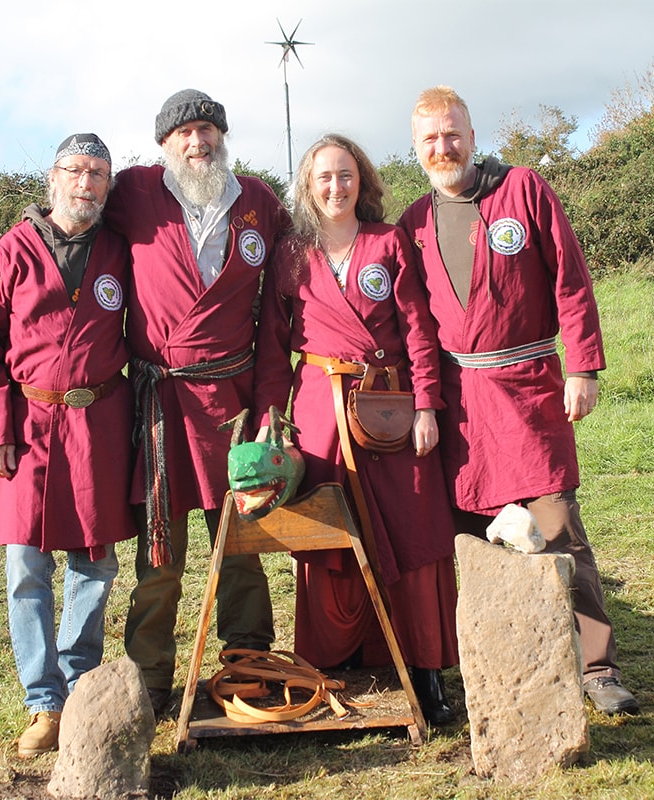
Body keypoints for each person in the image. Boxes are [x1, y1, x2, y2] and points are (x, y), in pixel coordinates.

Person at [0, 90, 290, 715]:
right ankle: (149, 677)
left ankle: (248, 659)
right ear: (164, 147)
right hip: (161, 405)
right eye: (183, 134)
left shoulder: (259, 202)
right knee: (159, 552)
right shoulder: (138, 192)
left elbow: (284, 296)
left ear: (222, 137)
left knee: (241, 539)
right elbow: (65, 212)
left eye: (207, 131)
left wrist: (271, 403)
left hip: (233, 401)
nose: (196, 143)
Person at [398, 86, 640, 715]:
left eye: (452, 134)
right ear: (416, 148)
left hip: (530, 387)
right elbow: (413, 323)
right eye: (430, 139)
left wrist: (582, 365)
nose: (443, 147)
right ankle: (495, 661)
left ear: (473, 136)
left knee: (557, 526)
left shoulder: (524, 190)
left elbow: (570, 278)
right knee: (470, 536)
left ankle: (597, 664)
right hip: (459, 403)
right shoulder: (412, 224)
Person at [254, 134, 459, 725]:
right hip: (319, 405)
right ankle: (334, 664)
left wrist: (426, 405)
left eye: (345, 175)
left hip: (387, 401)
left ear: (361, 181)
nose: (335, 187)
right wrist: (274, 421)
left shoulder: (386, 241)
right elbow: (272, 346)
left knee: (415, 531)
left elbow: (418, 329)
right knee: (329, 537)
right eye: (324, 177)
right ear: (308, 185)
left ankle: (425, 670)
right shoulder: (291, 253)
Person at [0, 133, 136, 758]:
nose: (85, 182)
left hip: (99, 425)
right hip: (30, 427)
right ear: (53, 177)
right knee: (25, 569)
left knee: (95, 561)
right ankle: (44, 704)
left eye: (97, 173)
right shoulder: (10, 252)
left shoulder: (122, 248)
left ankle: (80, 682)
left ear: (109, 185)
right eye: (75, 170)